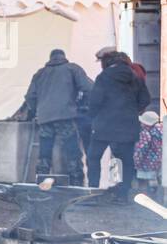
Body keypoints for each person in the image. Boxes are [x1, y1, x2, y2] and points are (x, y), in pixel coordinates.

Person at [14, 48, 92, 185]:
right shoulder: (73, 69)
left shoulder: (40, 73)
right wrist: (82, 104)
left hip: (44, 118)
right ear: (64, 57)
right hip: (66, 116)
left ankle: (42, 181)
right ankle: (77, 183)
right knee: (72, 151)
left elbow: (30, 97)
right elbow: (88, 88)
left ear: (50, 58)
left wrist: (36, 111)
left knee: (44, 152)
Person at [87, 50, 152, 203]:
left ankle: (93, 194)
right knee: (124, 160)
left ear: (106, 62)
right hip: (128, 124)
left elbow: (95, 101)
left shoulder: (104, 77)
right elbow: (145, 99)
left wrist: (92, 116)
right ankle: (122, 195)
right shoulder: (134, 76)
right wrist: (131, 110)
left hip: (104, 125)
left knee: (93, 157)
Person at [135, 111, 162, 197]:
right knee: (158, 178)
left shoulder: (145, 133)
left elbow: (141, 149)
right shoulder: (161, 131)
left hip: (146, 162)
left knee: (143, 181)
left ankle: (144, 198)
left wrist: (136, 161)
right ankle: (158, 194)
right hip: (160, 161)